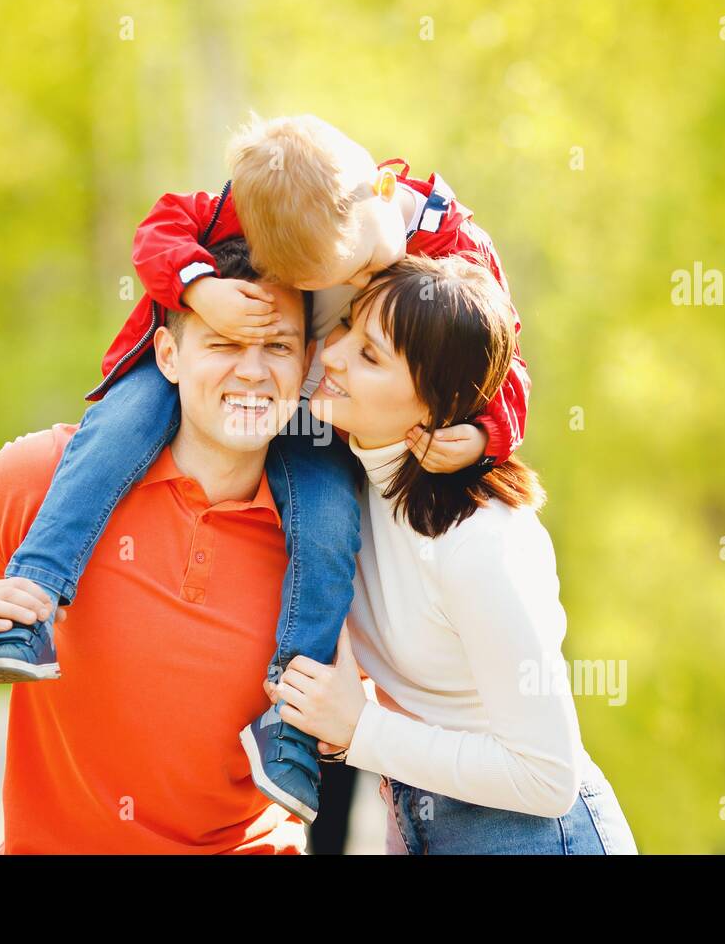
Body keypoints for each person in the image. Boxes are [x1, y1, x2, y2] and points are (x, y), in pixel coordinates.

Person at [0, 114, 533, 825]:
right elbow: (160, 229)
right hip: (204, 361)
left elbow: (502, 358)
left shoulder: (456, 246)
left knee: (329, 527)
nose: (354, 284)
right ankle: (30, 600)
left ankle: (291, 726)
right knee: (111, 434)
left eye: (357, 275)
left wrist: (485, 435)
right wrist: (198, 286)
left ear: (378, 193)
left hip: (307, 405)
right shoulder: (264, 202)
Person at [0, 240, 318, 853]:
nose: (252, 370)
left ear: (308, 362)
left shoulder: (333, 542)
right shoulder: (52, 479)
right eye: (222, 343)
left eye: (277, 346)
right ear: (168, 355)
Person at [267, 255, 639, 854]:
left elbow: (549, 776)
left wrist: (360, 729)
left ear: (436, 408)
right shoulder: (352, 486)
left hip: (535, 839)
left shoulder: (481, 541)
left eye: (370, 355)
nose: (331, 355)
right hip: (421, 827)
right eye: (346, 328)